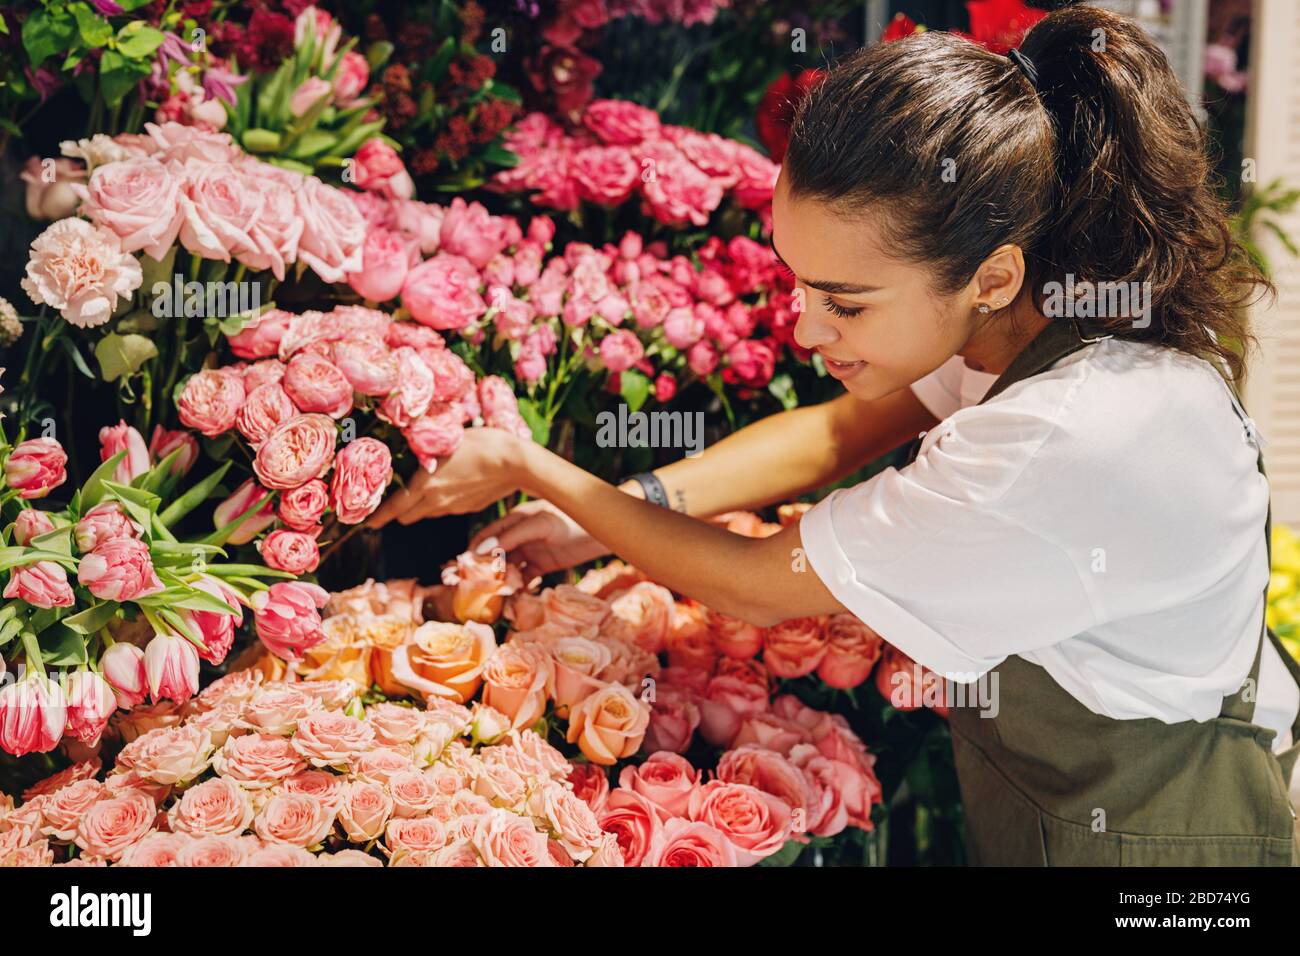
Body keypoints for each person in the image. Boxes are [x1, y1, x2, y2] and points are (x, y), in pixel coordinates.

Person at [369, 6, 1300, 865]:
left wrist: (537, 469)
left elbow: (758, 583)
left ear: (992, 273)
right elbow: (834, 434)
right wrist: (633, 505)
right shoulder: (1035, 310)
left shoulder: (1061, 440)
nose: (808, 330)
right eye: (799, 282)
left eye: (846, 303)